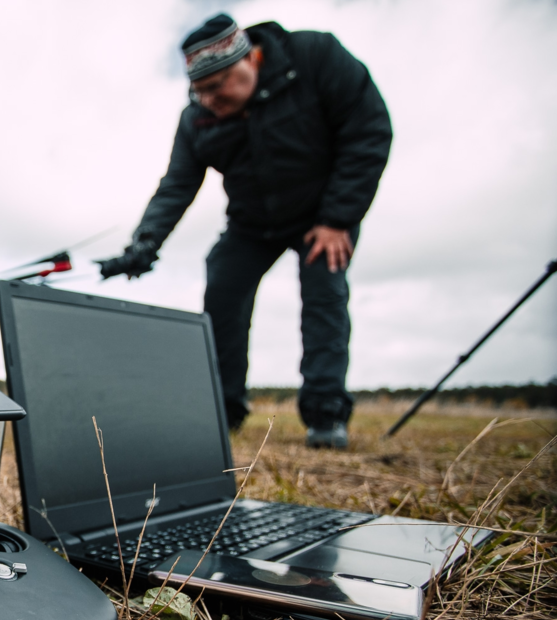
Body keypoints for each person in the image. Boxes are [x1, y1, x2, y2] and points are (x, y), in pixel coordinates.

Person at [97, 13, 392, 448]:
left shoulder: (314, 57)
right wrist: (145, 242)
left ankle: (325, 415)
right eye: (202, 91)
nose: (213, 99)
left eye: (222, 85)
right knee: (223, 288)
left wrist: (337, 219)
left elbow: (367, 131)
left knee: (323, 293)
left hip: (321, 215)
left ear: (252, 58)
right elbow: (177, 184)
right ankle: (223, 411)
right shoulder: (196, 117)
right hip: (252, 223)